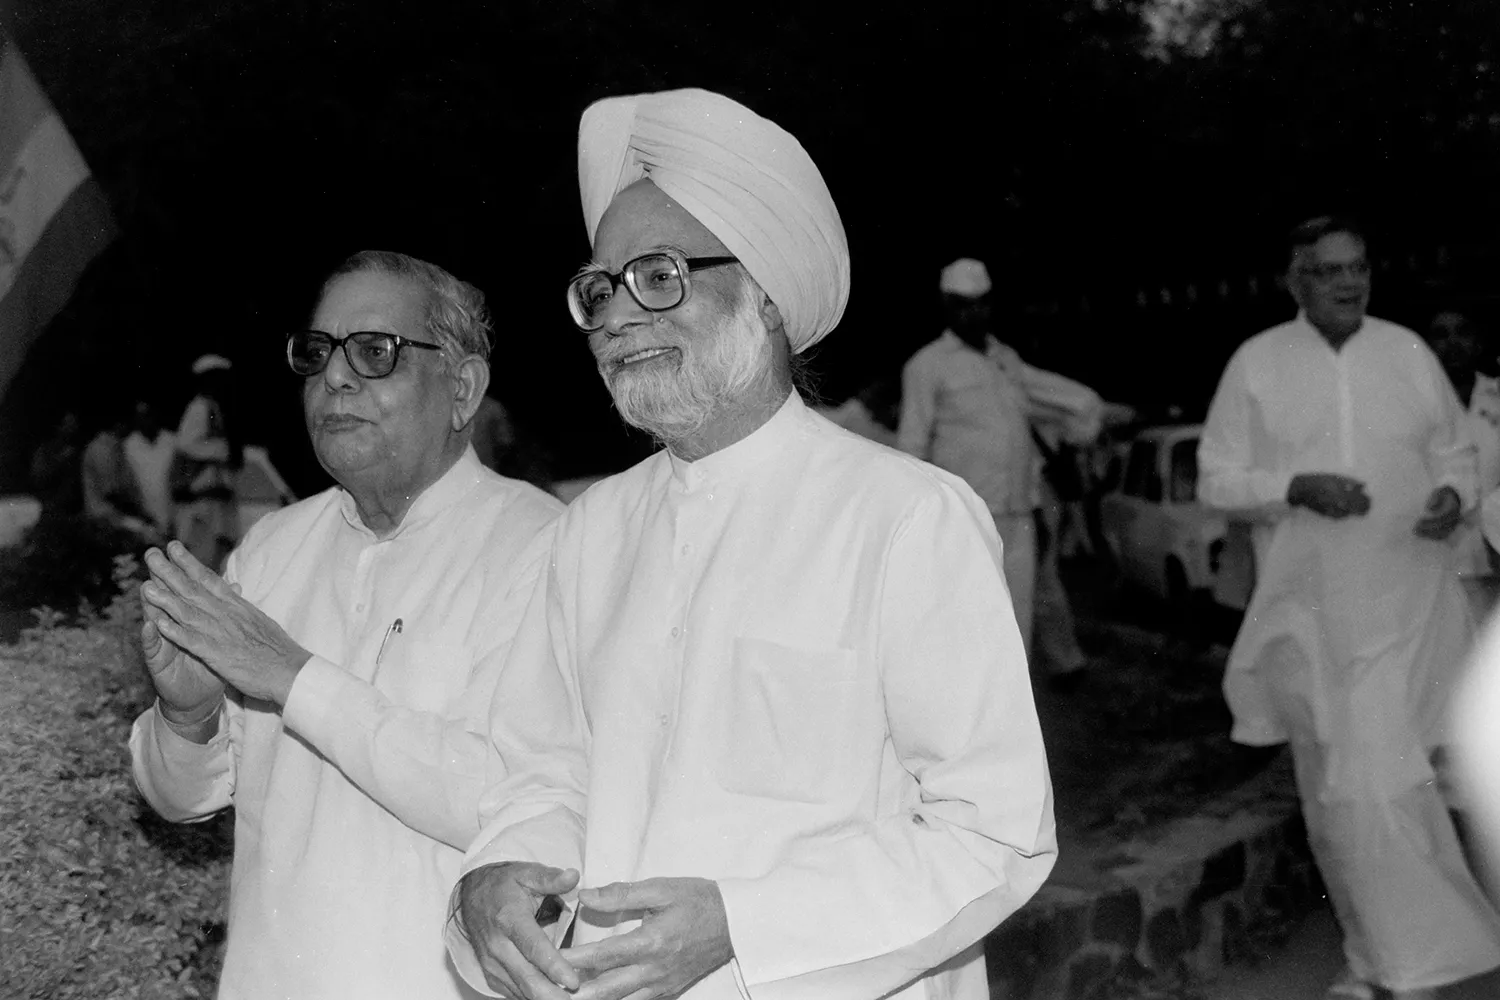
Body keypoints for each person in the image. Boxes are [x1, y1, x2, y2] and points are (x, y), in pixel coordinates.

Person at [449, 88, 1055, 1000]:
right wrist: (495, 875)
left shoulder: (903, 517)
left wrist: (743, 925)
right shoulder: (590, 532)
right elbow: (546, 771)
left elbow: (991, 833)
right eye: (600, 289)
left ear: (765, 295)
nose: (615, 317)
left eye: (659, 277)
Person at [130, 250, 572, 999]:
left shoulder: (543, 544)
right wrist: (189, 713)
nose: (336, 378)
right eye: (318, 353)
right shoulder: (274, 547)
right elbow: (181, 797)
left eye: (376, 352)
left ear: (462, 389)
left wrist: (293, 677)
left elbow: (514, 796)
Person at [1198, 216, 1500, 1000]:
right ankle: (1379, 957)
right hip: (1308, 618)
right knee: (1334, 789)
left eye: (1358, 267)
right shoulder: (1257, 363)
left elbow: (1458, 454)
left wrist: (1452, 495)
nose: (1348, 282)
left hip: (1410, 607)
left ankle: (1400, 963)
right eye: (1329, 270)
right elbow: (1216, 479)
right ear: (1295, 281)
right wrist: (1292, 488)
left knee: (1379, 784)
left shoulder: (1407, 352)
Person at [899, 258, 1039, 649]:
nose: (972, 312)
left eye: (980, 302)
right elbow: (911, 446)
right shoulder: (927, 366)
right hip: (967, 517)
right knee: (970, 621)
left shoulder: (1005, 358)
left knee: (1018, 621)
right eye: (962, 303)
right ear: (946, 307)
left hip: (1019, 513)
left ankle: (1015, 709)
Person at [1425, 311, 1500, 614]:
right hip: (1438, 556)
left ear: (1478, 341)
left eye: (1462, 332)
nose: (1453, 343)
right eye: (1441, 335)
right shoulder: (1417, 401)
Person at [171, 355, 243, 571]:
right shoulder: (200, 407)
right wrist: (223, 451)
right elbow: (186, 444)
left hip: (217, 502)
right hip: (203, 501)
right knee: (203, 564)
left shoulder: (215, 408)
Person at [81, 405, 159, 543]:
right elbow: (112, 492)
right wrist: (142, 515)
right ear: (119, 425)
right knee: (153, 538)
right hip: (106, 518)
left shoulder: (115, 447)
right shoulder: (102, 449)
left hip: (118, 516)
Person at [123, 399, 177, 538]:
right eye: (140, 416)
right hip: (146, 523)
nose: (146, 420)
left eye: (148, 414)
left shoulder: (172, 440)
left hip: (175, 518)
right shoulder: (128, 446)